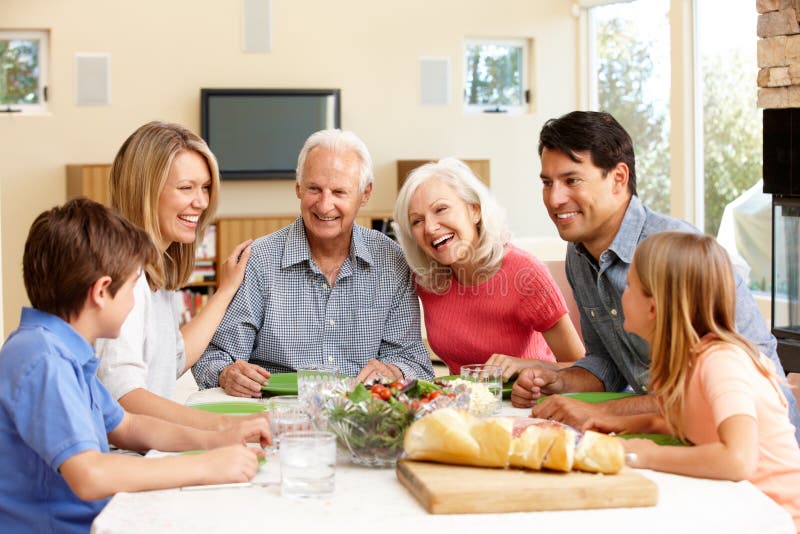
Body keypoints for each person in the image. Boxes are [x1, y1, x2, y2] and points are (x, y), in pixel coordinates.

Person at [511, 110, 800, 441]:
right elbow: (607, 361)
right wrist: (560, 382)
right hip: (675, 431)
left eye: (571, 180)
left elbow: (703, 391)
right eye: (547, 183)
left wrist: (604, 412)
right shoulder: (578, 254)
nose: (554, 198)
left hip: (747, 446)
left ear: (619, 178)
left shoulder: (674, 257)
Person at [0, 199, 271, 533]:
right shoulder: (43, 360)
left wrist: (219, 436)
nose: (134, 300)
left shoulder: (62, 351)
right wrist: (207, 466)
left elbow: (127, 428)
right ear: (101, 291)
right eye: (132, 287)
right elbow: (90, 474)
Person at [193, 129, 434, 397]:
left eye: (340, 192)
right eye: (314, 189)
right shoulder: (259, 260)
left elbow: (416, 363)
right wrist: (227, 373)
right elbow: (212, 358)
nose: (324, 204)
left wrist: (395, 372)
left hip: (361, 415)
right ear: (298, 187)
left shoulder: (392, 260)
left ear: (365, 194)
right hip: (275, 415)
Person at [583, 232, 800, 529]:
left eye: (630, 286)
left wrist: (648, 455)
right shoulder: (687, 363)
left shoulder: (721, 362)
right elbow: (697, 426)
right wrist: (637, 424)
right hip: (741, 512)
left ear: (654, 307)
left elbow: (738, 459)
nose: (622, 294)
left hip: (778, 521)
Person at [96, 121, 257, 430]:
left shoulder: (154, 275)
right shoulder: (123, 276)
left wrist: (225, 290)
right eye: (186, 188)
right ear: (144, 191)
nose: (202, 202)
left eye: (205, 187)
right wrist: (221, 426)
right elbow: (124, 394)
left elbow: (172, 359)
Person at [392, 157, 584, 379]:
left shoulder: (525, 273)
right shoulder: (426, 280)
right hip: (463, 406)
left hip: (529, 402)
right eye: (417, 221)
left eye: (441, 209)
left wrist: (525, 366)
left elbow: (581, 368)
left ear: (475, 211)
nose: (431, 227)